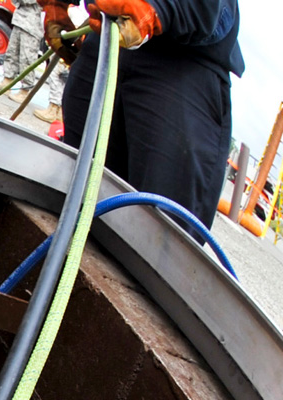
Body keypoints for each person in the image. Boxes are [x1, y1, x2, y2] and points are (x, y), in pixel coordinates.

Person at [54, 0, 241, 229]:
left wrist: (159, 8)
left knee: (159, 229)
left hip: (182, 62)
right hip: (106, 34)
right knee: (64, 201)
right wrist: (55, 4)